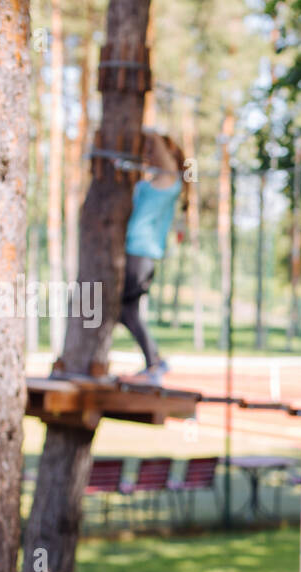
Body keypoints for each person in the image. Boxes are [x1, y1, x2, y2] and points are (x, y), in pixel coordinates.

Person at [120, 131, 186, 384]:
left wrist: (146, 131)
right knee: (125, 312)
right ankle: (155, 361)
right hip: (134, 252)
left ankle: (155, 363)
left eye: (151, 148)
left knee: (127, 312)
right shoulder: (155, 180)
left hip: (141, 253)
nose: (148, 152)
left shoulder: (170, 180)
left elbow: (160, 148)